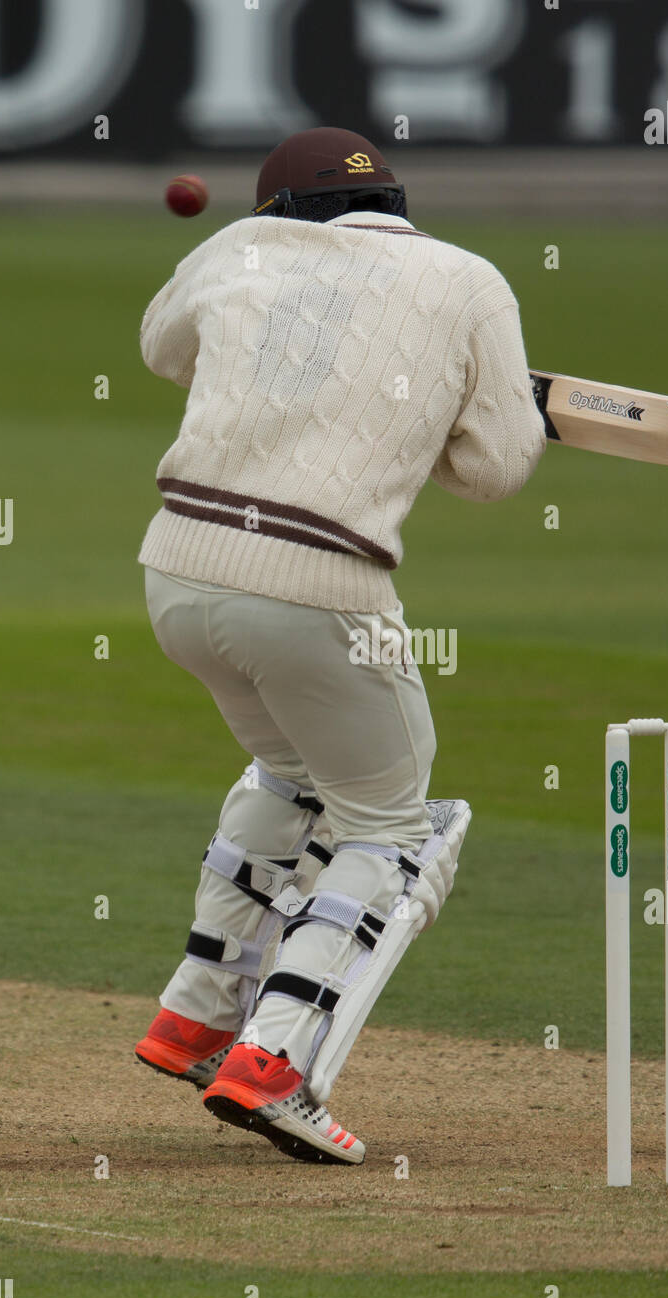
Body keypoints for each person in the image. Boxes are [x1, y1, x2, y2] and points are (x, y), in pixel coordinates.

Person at [134, 127, 545, 1164]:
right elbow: (497, 469)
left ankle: (196, 1011)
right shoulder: (468, 282)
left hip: (176, 572)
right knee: (396, 827)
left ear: (278, 211)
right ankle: (271, 1061)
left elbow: (162, 351)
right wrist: (446, 415)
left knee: (291, 769)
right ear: (397, 201)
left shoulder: (233, 246)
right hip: (320, 591)